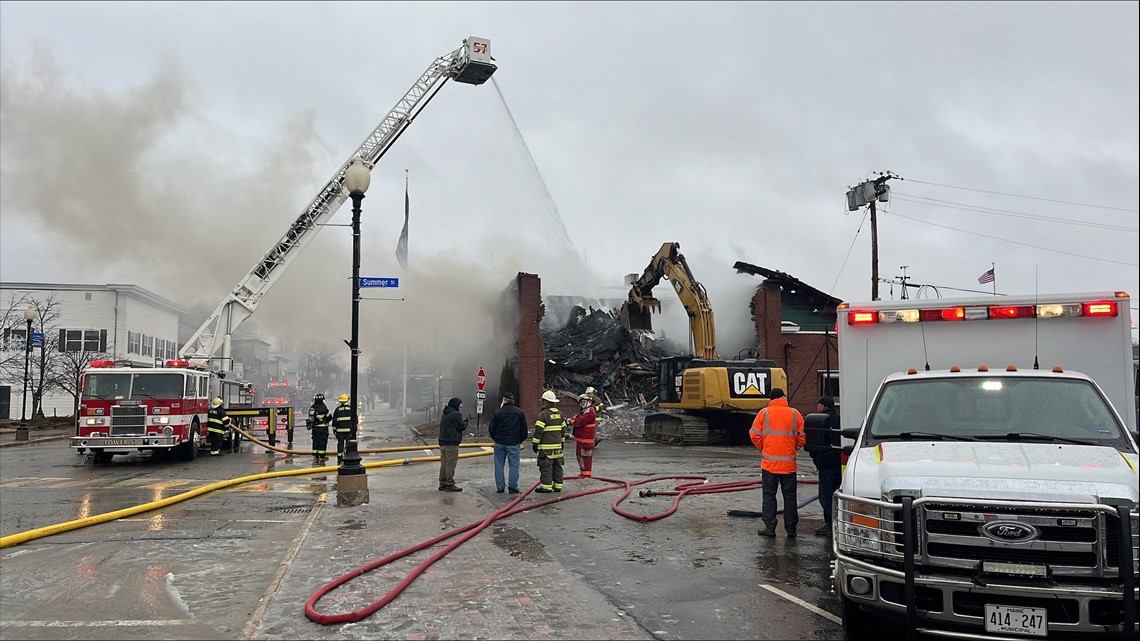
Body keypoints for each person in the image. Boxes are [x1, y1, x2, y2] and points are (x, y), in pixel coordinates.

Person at [749, 388, 805, 538]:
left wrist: (764, 447)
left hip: (769, 465)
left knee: (769, 496)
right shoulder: (795, 414)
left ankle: (770, 527)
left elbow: (754, 434)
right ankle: (791, 529)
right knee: (790, 497)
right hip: (789, 466)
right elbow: (801, 438)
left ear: (771, 399)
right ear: (783, 397)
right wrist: (793, 448)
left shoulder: (764, 413)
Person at [810, 396, 842, 537]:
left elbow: (814, 444)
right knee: (838, 496)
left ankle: (830, 525)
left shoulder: (820, 421)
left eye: (819, 405)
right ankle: (839, 523)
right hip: (840, 463)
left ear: (823, 407)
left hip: (826, 464)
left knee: (826, 497)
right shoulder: (841, 419)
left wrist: (816, 458)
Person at [487, 392, 528, 493]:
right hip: (514, 443)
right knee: (514, 465)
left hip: (499, 442)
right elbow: (524, 430)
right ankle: (513, 487)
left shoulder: (498, 412)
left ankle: (500, 487)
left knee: (499, 465)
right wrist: (519, 440)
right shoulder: (519, 412)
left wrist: (496, 438)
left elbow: (491, 428)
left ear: (504, 400)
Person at [532, 390, 568, 493]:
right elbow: (563, 430)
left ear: (548, 402)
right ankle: (558, 486)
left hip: (546, 448)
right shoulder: (560, 415)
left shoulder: (543, 415)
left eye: (544, 401)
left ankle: (546, 487)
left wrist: (535, 443)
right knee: (557, 466)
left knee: (546, 467)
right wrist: (562, 442)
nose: (542, 403)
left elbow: (538, 431)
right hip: (557, 447)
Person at [438, 397, 467, 492]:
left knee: (444, 465)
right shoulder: (456, 414)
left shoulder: (445, 413)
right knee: (451, 464)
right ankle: (449, 484)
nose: (461, 406)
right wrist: (466, 422)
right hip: (451, 443)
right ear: (456, 404)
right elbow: (461, 426)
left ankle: (442, 483)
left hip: (443, 442)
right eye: (460, 404)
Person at [566, 393, 597, 477]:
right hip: (581, 439)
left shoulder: (590, 411)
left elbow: (580, 421)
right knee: (580, 457)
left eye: (583, 402)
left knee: (585, 457)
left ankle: (586, 475)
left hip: (586, 440)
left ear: (589, 402)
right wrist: (571, 420)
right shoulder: (584, 411)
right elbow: (577, 417)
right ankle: (583, 473)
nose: (581, 404)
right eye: (581, 402)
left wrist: (571, 422)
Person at [307, 393, 332, 463]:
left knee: (315, 441)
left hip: (315, 428)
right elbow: (329, 417)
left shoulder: (312, 408)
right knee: (322, 441)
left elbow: (310, 418)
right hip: (323, 428)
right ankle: (322, 456)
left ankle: (316, 456)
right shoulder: (324, 408)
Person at [331, 393, 353, 459]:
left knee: (340, 443)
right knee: (349, 444)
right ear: (347, 400)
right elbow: (355, 420)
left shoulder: (337, 410)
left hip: (340, 431)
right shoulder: (351, 409)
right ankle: (348, 456)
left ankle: (340, 457)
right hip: (349, 430)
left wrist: (334, 430)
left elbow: (334, 421)